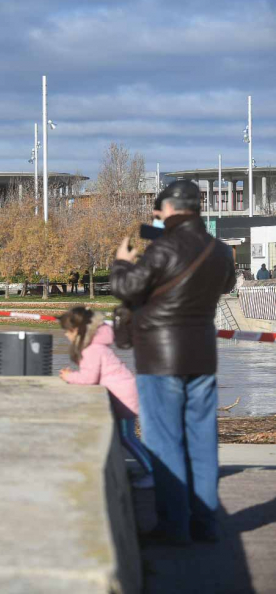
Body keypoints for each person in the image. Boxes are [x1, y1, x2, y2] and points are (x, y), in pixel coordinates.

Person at [111, 180, 236, 545]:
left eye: (158, 209)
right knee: (201, 441)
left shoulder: (162, 249)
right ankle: (206, 525)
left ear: (169, 207)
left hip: (160, 357)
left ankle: (174, 528)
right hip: (203, 354)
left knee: (164, 442)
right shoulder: (220, 250)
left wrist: (120, 262)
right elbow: (225, 286)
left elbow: (126, 288)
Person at [58, 306, 153, 488]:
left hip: (123, 396)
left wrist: (69, 376)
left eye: (67, 331)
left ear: (77, 331)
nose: (65, 335)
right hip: (125, 391)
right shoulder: (96, 346)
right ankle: (149, 468)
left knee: (127, 437)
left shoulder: (91, 350)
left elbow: (89, 378)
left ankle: (153, 472)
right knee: (127, 436)